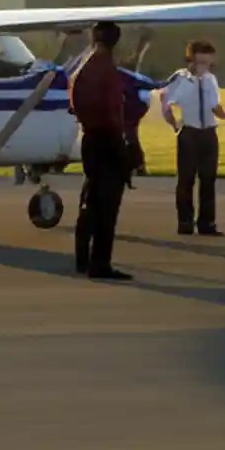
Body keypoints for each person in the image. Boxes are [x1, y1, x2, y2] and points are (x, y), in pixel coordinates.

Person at [69, 21, 132, 281]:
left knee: (91, 200)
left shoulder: (83, 66)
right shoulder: (105, 69)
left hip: (90, 136)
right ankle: (100, 262)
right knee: (106, 204)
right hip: (106, 138)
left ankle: (83, 257)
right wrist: (124, 147)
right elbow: (112, 112)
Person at [160, 40, 225, 236]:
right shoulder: (180, 78)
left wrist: (223, 114)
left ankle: (207, 223)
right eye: (202, 61)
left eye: (209, 62)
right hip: (189, 132)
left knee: (208, 179)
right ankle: (185, 221)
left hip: (208, 132)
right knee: (186, 179)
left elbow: (214, 104)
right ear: (192, 59)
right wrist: (173, 122)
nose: (206, 66)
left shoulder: (210, 79)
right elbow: (165, 100)